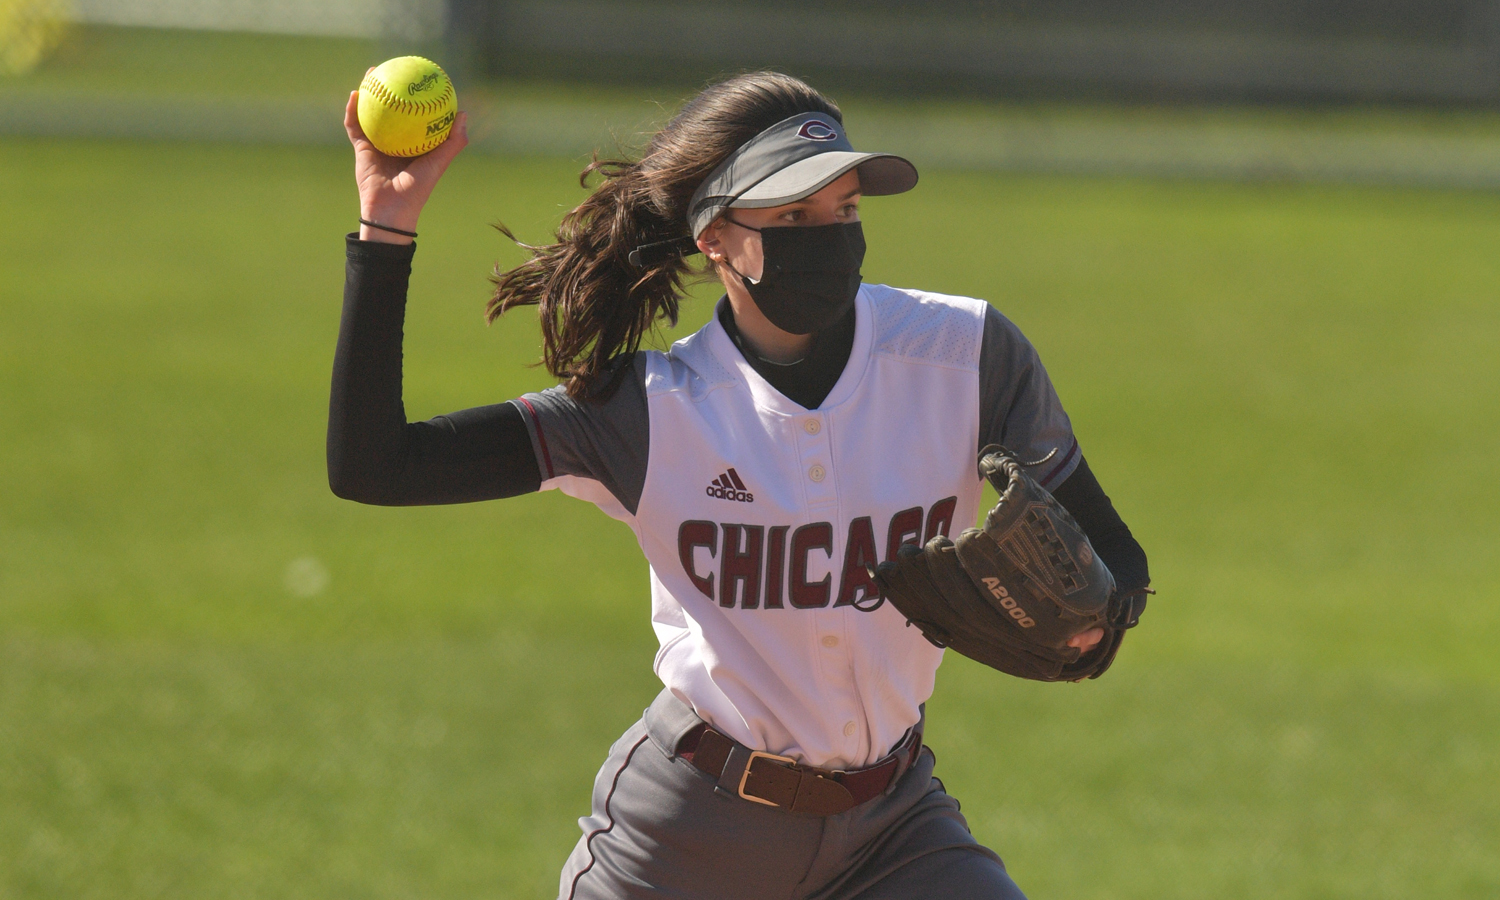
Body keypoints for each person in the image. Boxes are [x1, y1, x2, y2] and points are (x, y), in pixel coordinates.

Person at [330, 70, 1149, 900]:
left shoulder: (963, 355)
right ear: (715, 237)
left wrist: (1098, 623)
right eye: (793, 216)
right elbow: (377, 468)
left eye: (845, 209)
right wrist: (385, 227)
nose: (828, 234)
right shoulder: (647, 408)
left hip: (892, 832)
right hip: (687, 839)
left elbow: (1115, 556)